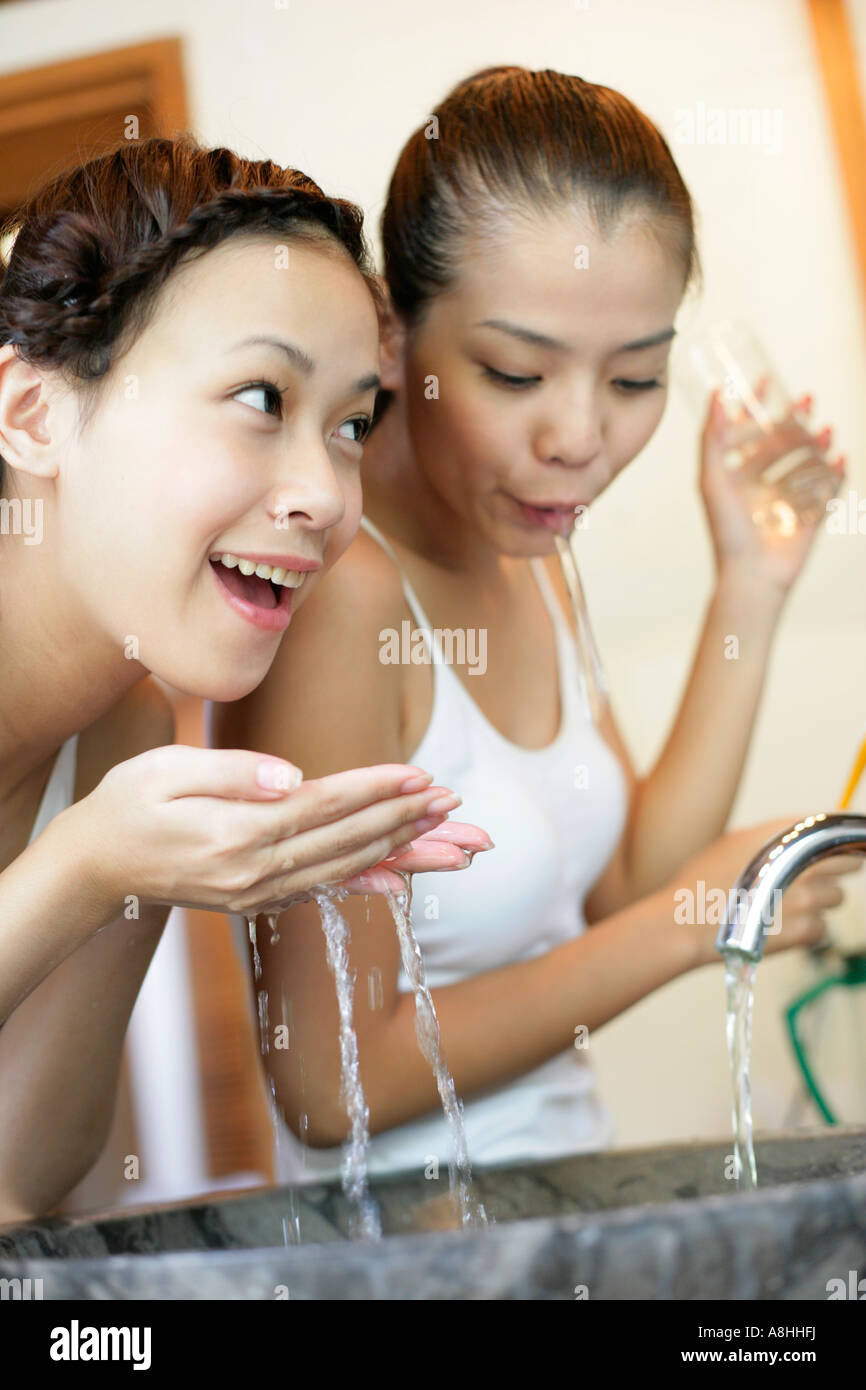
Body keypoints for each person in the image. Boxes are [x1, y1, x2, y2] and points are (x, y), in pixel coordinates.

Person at [215, 66, 854, 1183]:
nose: (579, 438)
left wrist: (747, 584)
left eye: (634, 378)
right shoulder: (345, 597)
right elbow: (326, 1085)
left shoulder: (529, 548)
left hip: (557, 1204)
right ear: (391, 335)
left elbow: (613, 885)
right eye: (515, 371)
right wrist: (685, 923)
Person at [0, 132, 489, 1222]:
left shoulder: (124, 735)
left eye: (353, 423)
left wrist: (133, 871)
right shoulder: (106, 815)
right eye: (262, 398)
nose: (324, 495)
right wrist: (88, 866)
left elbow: (15, 1180)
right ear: (34, 414)